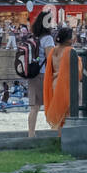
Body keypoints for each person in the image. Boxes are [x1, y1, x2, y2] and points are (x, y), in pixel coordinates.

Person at [43, 25, 82, 132]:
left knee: (60, 115)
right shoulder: (70, 51)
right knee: (69, 113)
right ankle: (69, 138)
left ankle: (60, 137)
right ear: (69, 39)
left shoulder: (53, 51)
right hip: (67, 86)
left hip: (55, 84)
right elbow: (78, 72)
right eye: (73, 36)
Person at [25, 8, 56, 138]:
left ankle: (31, 134)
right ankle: (56, 130)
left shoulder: (34, 37)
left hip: (32, 74)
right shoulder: (47, 38)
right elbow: (50, 58)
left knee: (34, 107)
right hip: (43, 74)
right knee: (53, 103)